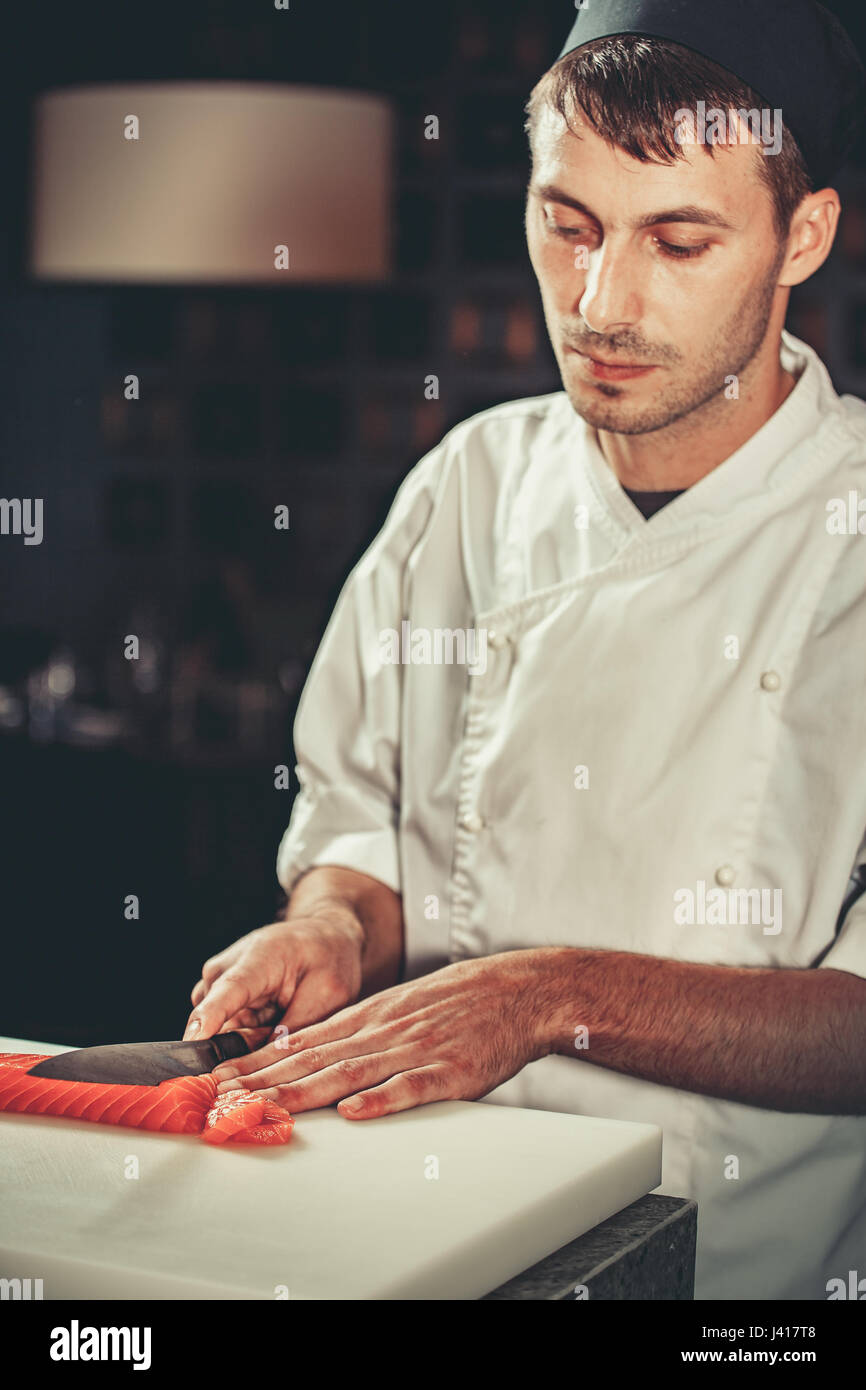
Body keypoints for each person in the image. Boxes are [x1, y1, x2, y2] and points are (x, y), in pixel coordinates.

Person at [184, 1, 866, 1300]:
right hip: (420, 1230)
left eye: (678, 239)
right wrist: (330, 926)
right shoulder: (468, 484)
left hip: (730, 1272)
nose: (600, 302)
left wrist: (546, 993)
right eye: (567, 225)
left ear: (804, 236)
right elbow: (365, 830)